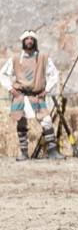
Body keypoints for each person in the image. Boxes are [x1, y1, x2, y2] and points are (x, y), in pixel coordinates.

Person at [0, 30, 62, 160]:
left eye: (31, 39)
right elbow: (2, 74)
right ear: (23, 41)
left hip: (37, 96)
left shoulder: (43, 58)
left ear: (35, 41)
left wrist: (47, 89)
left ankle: (52, 152)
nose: (29, 41)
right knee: (21, 122)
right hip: (20, 96)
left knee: (47, 120)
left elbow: (54, 74)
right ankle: (23, 153)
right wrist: (10, 88)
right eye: (27, 39)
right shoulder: (16, 59)